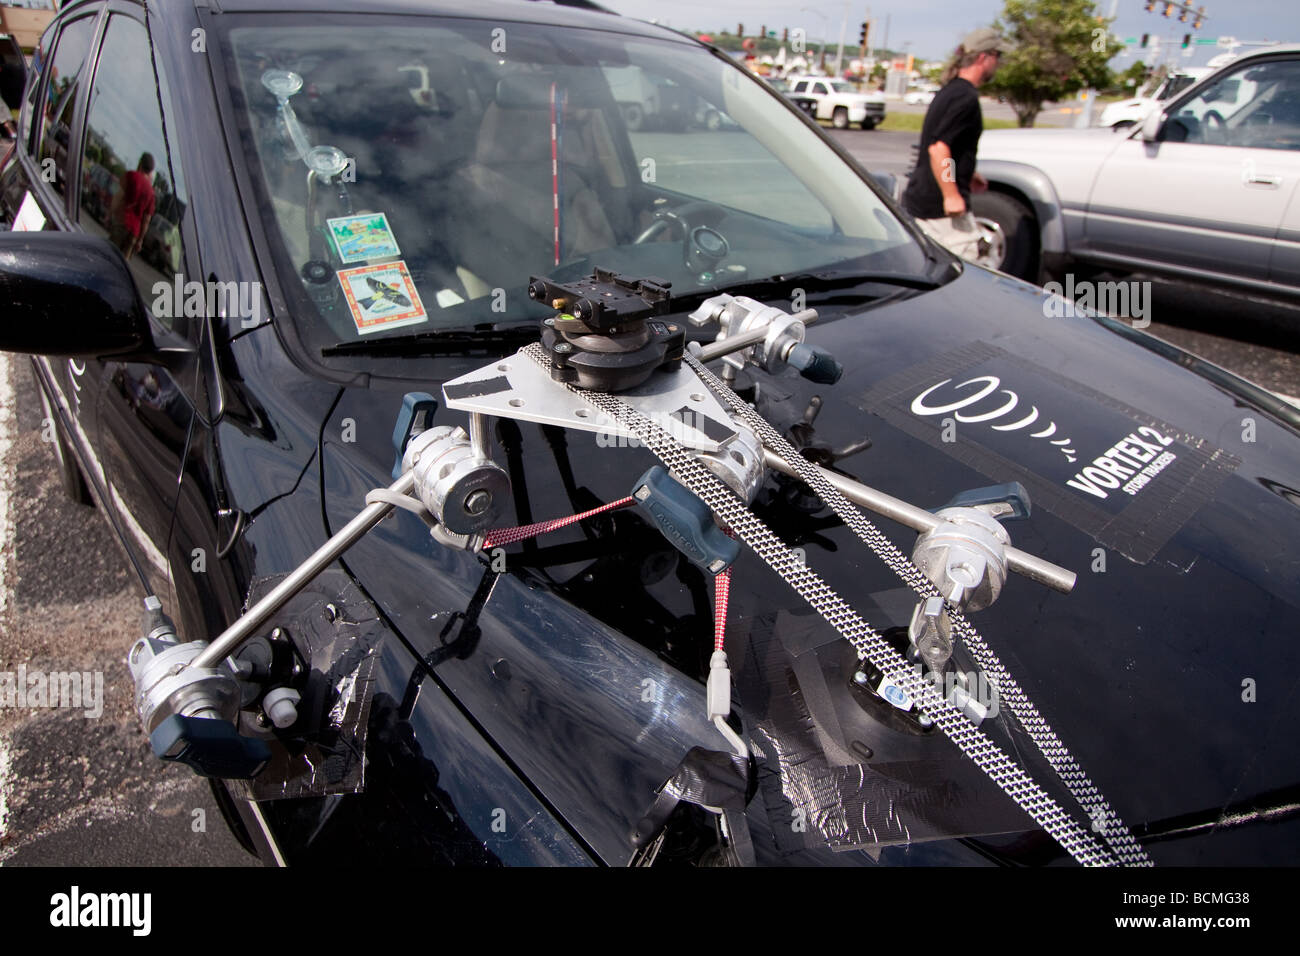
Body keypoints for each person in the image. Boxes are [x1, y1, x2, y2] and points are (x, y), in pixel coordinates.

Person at [901, 27, 1013, 262]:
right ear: (984, 57)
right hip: (940, 210)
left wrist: (969, 172)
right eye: (998, 57)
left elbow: (946, 145)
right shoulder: (965, 97)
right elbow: (939, 149)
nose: (999, 64)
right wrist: (951, 194)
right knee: (963, 272)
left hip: (923, 200)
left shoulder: (950, 91)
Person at [113, 153, 157, 261]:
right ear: (151, 170)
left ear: (140, 163)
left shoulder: (131, 176)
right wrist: (140, 240)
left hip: (122, 223)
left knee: (109, 257)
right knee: (123, 265)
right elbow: (146, 220)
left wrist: (110, 214)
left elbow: (119, 196)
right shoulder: (151, 193)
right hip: (134, 233)